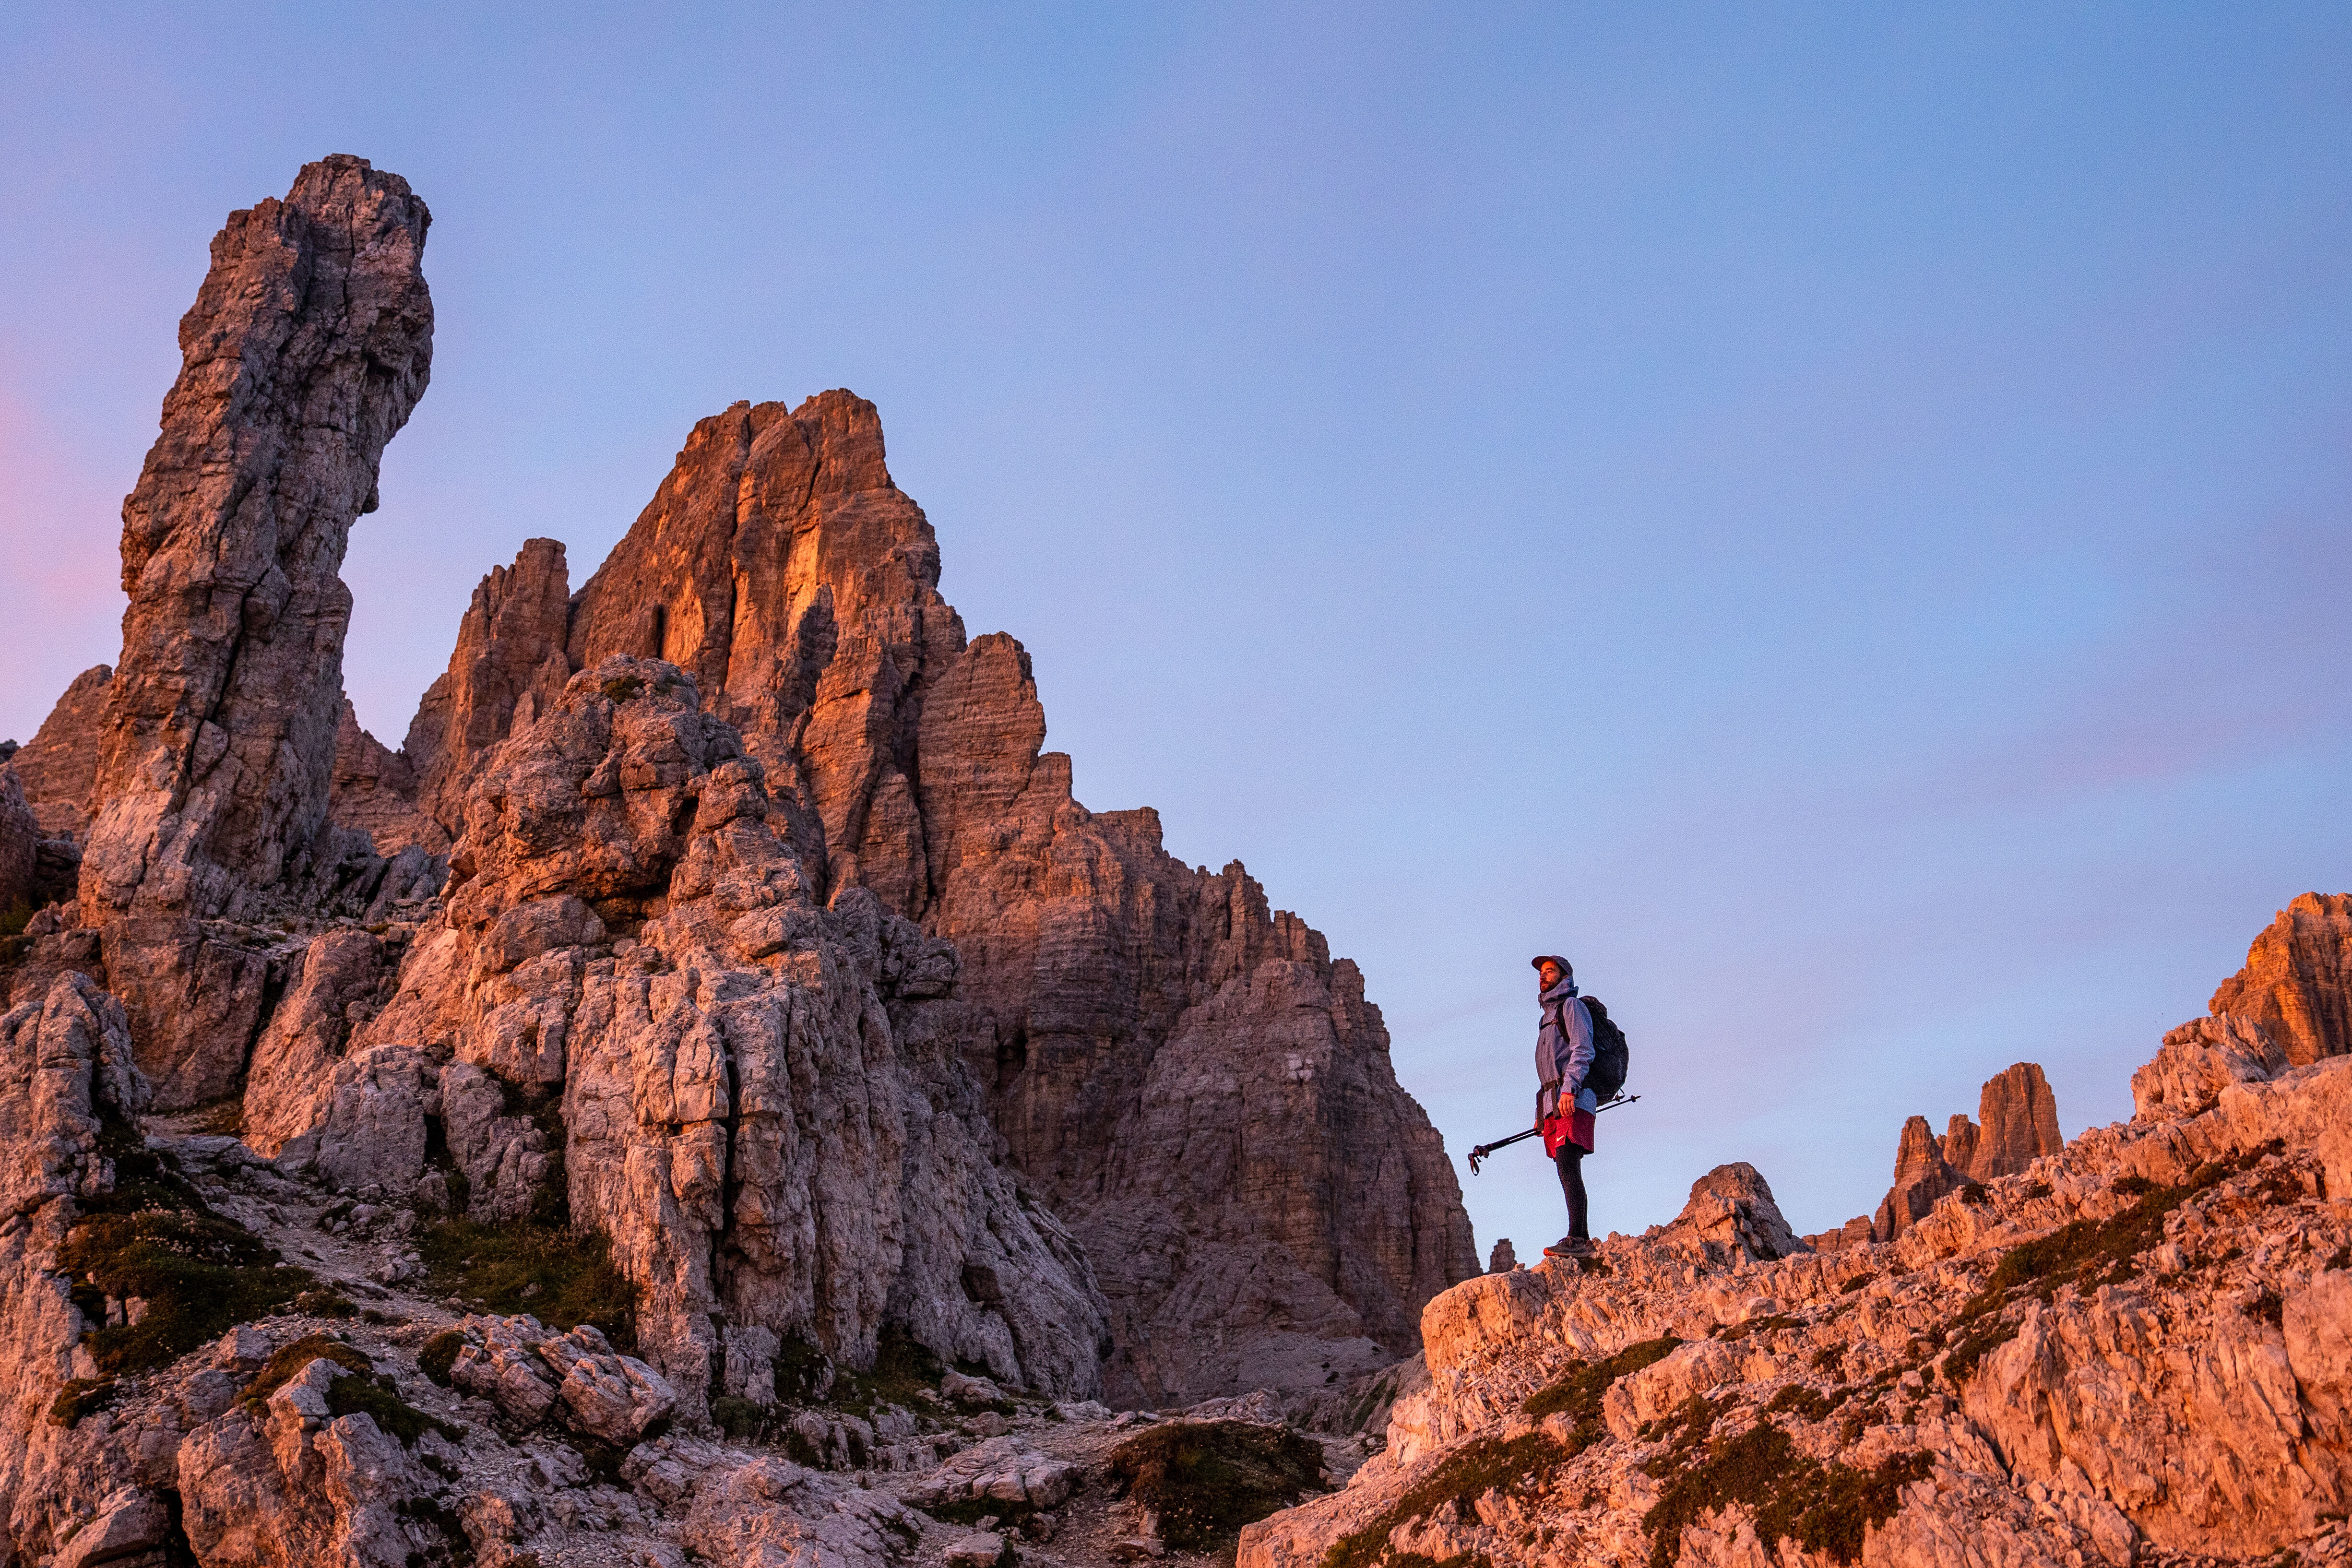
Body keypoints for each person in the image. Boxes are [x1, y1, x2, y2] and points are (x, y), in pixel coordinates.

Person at [1532, 954, 1596, 1261]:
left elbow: (1583, 1050)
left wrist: (1570, 1089)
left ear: (1564, 977)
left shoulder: (1571, 1007)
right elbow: (1546, 1070)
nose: (1543, 976)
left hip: (1573, 1098)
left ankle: (1579, 1238)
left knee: (1568, 1164)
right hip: (1554, 1105)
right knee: (1564, 1166)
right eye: (1541, 972)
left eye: (1550, 971)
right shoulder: (1546, 1019)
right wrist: (1541, 1113)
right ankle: (1578, 1237)